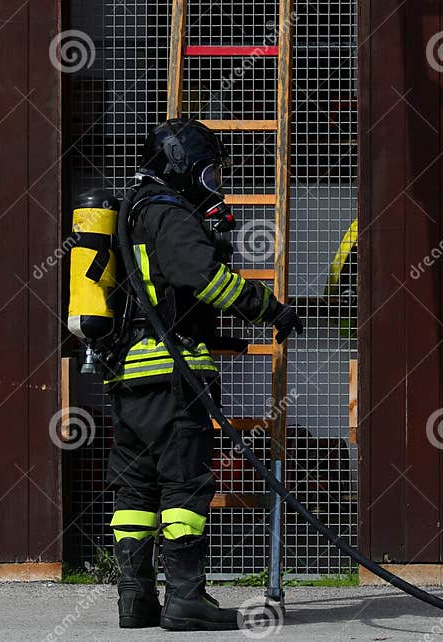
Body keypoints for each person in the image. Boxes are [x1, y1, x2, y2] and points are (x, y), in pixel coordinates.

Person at [105, 117, 303, 631]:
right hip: (175, 377)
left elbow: (154, 298)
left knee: (135, 491)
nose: (213, 186)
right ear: (181, 165)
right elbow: (201, 278)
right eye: (208, 174)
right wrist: (269, 309)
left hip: (129, 379)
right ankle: (186, 599)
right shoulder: (170, 213)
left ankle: (136, 600)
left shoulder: (130, 213)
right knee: (183, 488)